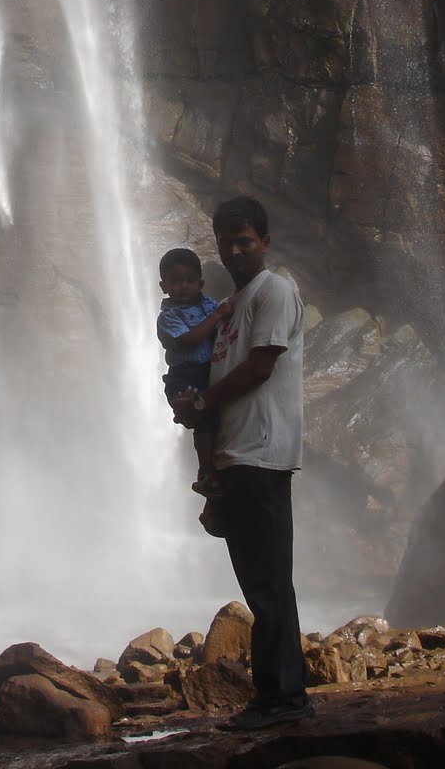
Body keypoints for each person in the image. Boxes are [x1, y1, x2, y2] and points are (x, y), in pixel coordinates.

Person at [172, 195, 311, 731]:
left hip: (263, 453)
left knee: (271, 579)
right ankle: (272, 694)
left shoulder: (274, 291)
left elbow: (259, 367)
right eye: (226, 243)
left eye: (245, 241)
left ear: (265, 242)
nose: (234, 251)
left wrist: (205, 402)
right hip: (235, 456)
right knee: (258, 580)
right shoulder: (230, 306)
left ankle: (288, 697)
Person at [156, 248, 231, 496]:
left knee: (216, 419)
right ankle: (205, 469)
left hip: (208, 371)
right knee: (203, 421)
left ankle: (215, 470)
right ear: (163, 286)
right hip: (184, 376)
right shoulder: (168, 317)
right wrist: (217, 316)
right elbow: (190, 340)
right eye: (175, 282)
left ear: (200, 283)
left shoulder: (209, 303)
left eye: (189, 281)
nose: (183, 286)